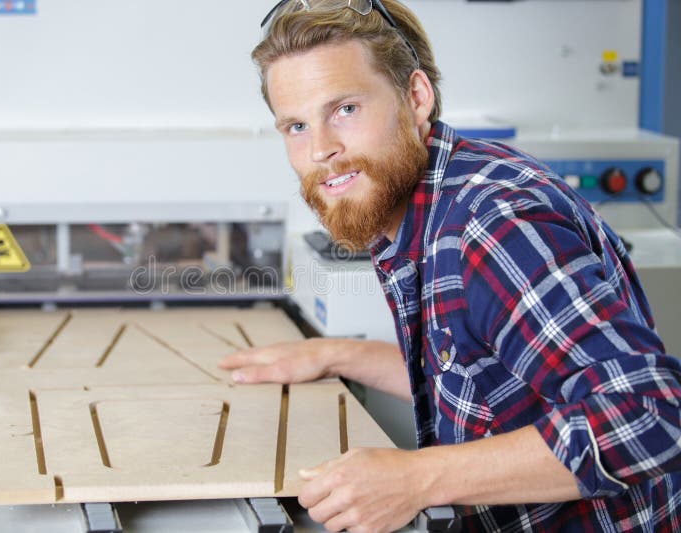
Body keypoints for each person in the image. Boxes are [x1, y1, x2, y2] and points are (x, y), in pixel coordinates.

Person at [219, 0, 681, 531]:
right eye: (296, 126)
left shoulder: (490, 226)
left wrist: (416, 479)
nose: (322, 149)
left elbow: (650, 415)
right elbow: (480, 380)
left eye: (345, 109)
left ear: (415, 98)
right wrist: (337, 355)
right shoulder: (418, 204)